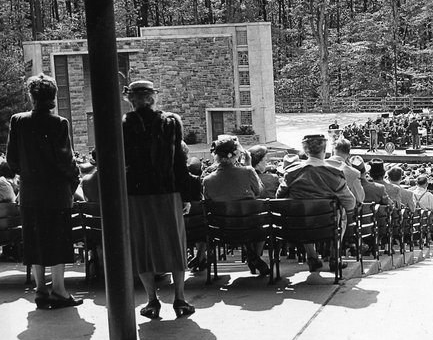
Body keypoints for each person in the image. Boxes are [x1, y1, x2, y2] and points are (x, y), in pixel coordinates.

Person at [122, 79, 199, 319]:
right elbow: (179, 163)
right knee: (175, 243)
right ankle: (180, 299)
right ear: (153, 97)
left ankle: (152, 301)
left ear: (131, 99)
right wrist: (186, 195)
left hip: (136, 194)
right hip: (168, 191)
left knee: (142, 246)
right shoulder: (171, 122)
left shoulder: (123, 124)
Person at [5, 74, 82, 309]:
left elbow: (11, 160)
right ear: (53, 97)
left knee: (34, 241)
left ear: (32, 96)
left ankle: (40, 291)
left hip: (30, 192)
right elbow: (66, 161)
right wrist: (74, 181)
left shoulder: (18, 121)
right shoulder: (59, 123)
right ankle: (59, 290)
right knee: (58, 240)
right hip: (57, 193)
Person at [276, 134, 356, 272]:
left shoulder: (291, 173)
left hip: (298, 226)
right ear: (325, 150)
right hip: (327, 226)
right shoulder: (334, 174)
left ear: (305, 151)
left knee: (301, 213)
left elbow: (279, 198)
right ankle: (334, 257)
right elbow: (350, 203)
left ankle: (312, 257)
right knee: (341, 212)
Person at [202, 135, 268, 276]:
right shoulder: (247, 172)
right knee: (254, 223)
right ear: (236, 154)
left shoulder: (207, 180)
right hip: (251, 227)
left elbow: (207, 200)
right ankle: (254, 257)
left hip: (222, 231)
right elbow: (259, 191)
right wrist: (249, 166)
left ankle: (252, 256)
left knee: (236, 221)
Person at [329, 138, 365, 203]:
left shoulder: (318, 167)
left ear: (333, 151)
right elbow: (360, 198)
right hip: (339, 208)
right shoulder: (353, 173)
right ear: (349, 155)